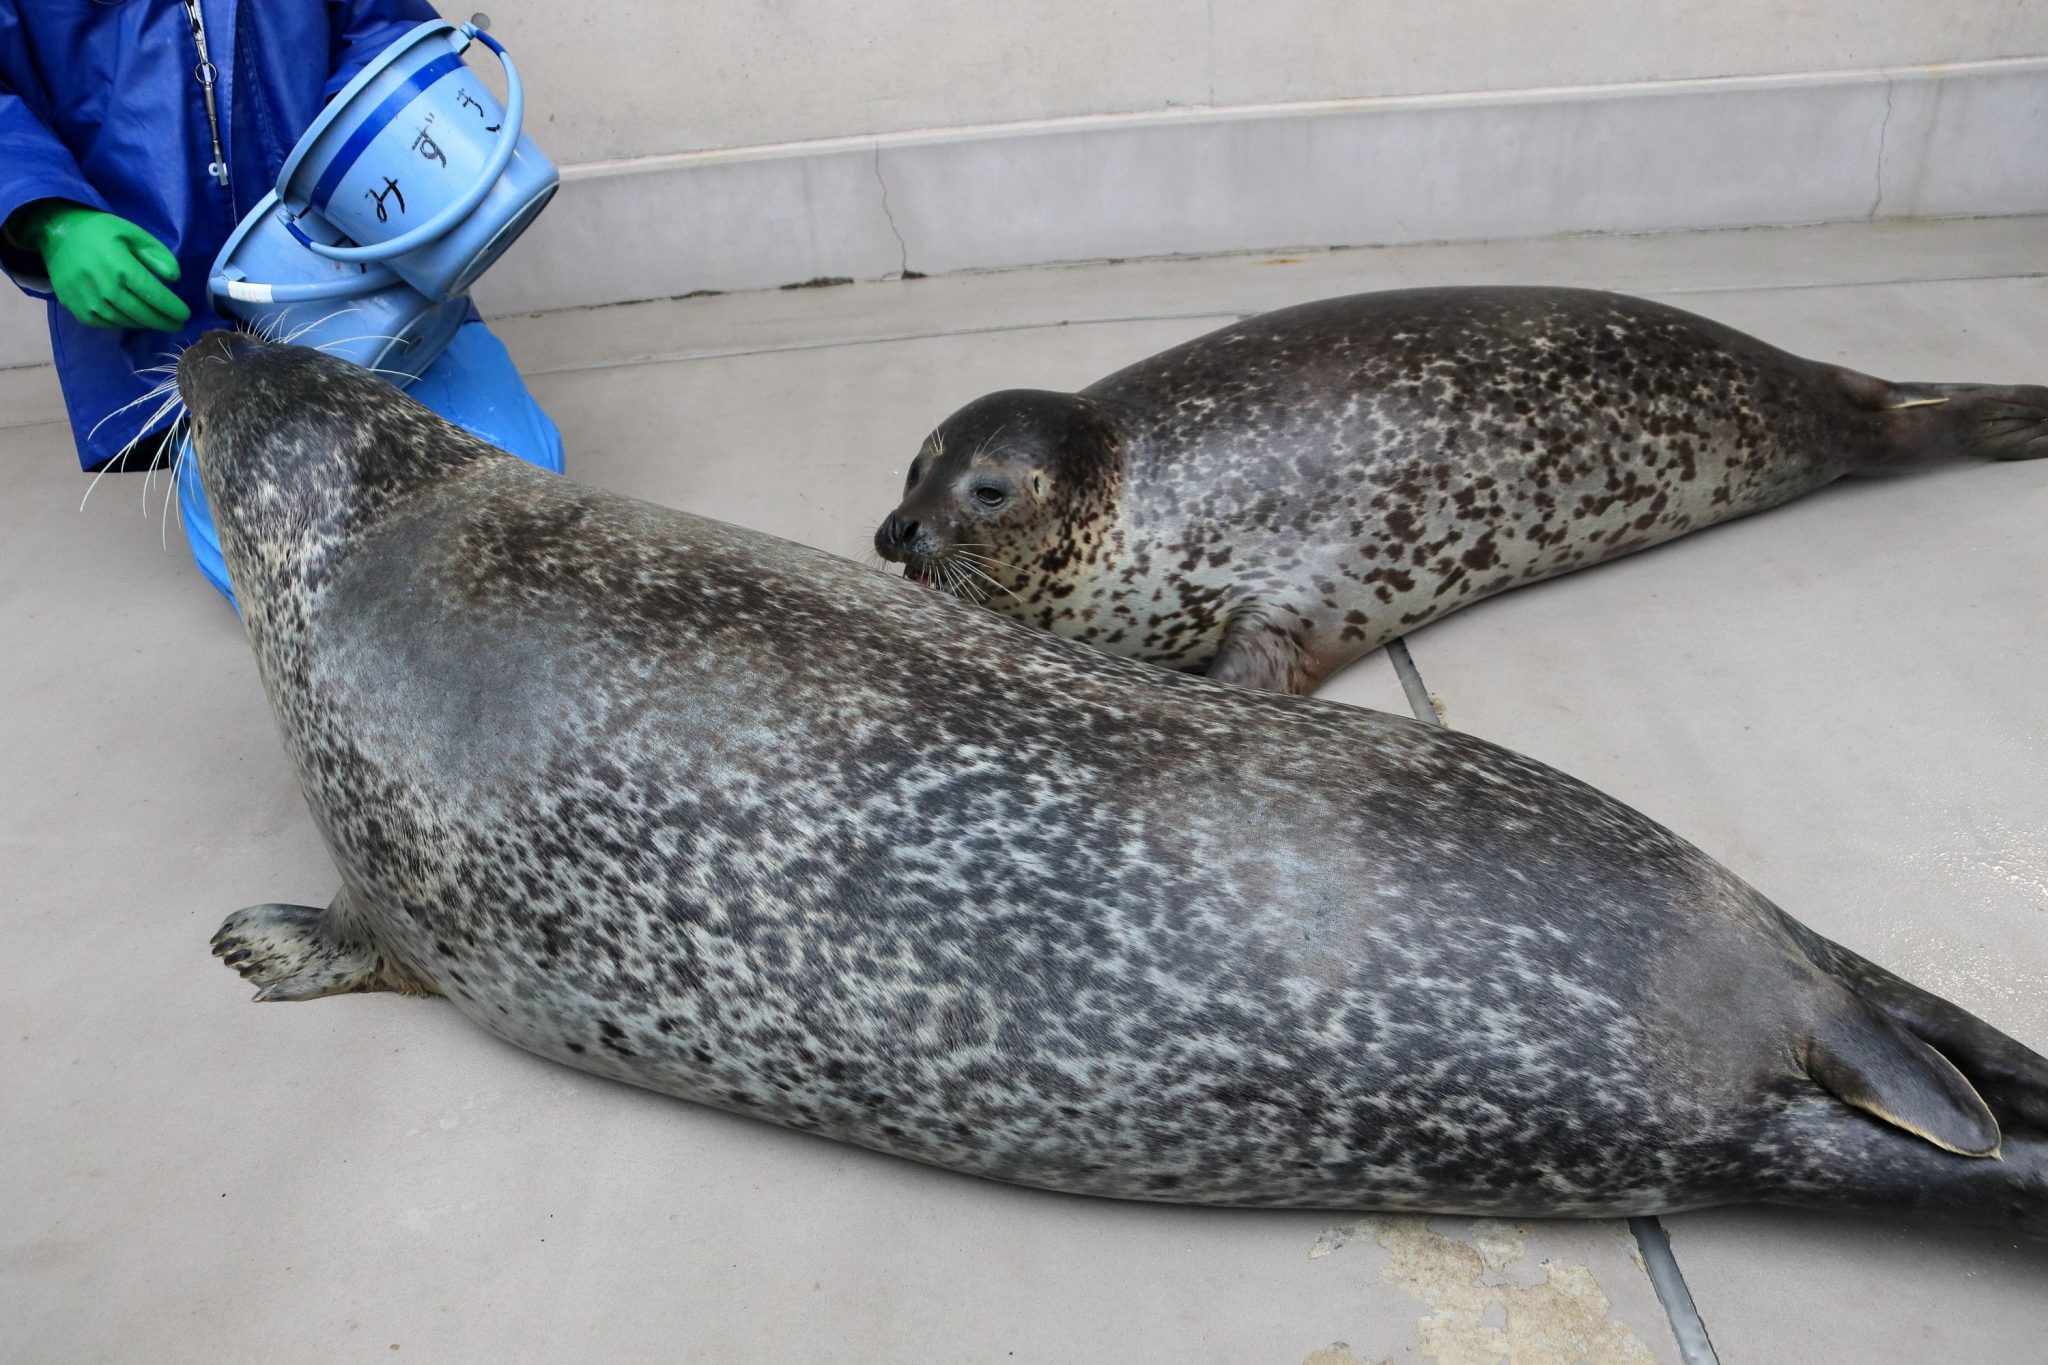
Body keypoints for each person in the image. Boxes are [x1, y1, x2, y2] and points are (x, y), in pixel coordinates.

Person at [0, 0, 561, 500]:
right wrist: (50, 215)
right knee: (315, 555)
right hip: (186, 337)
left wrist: (374, 148)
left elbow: (381, 23)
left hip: (379, 280)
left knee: (523, 497)